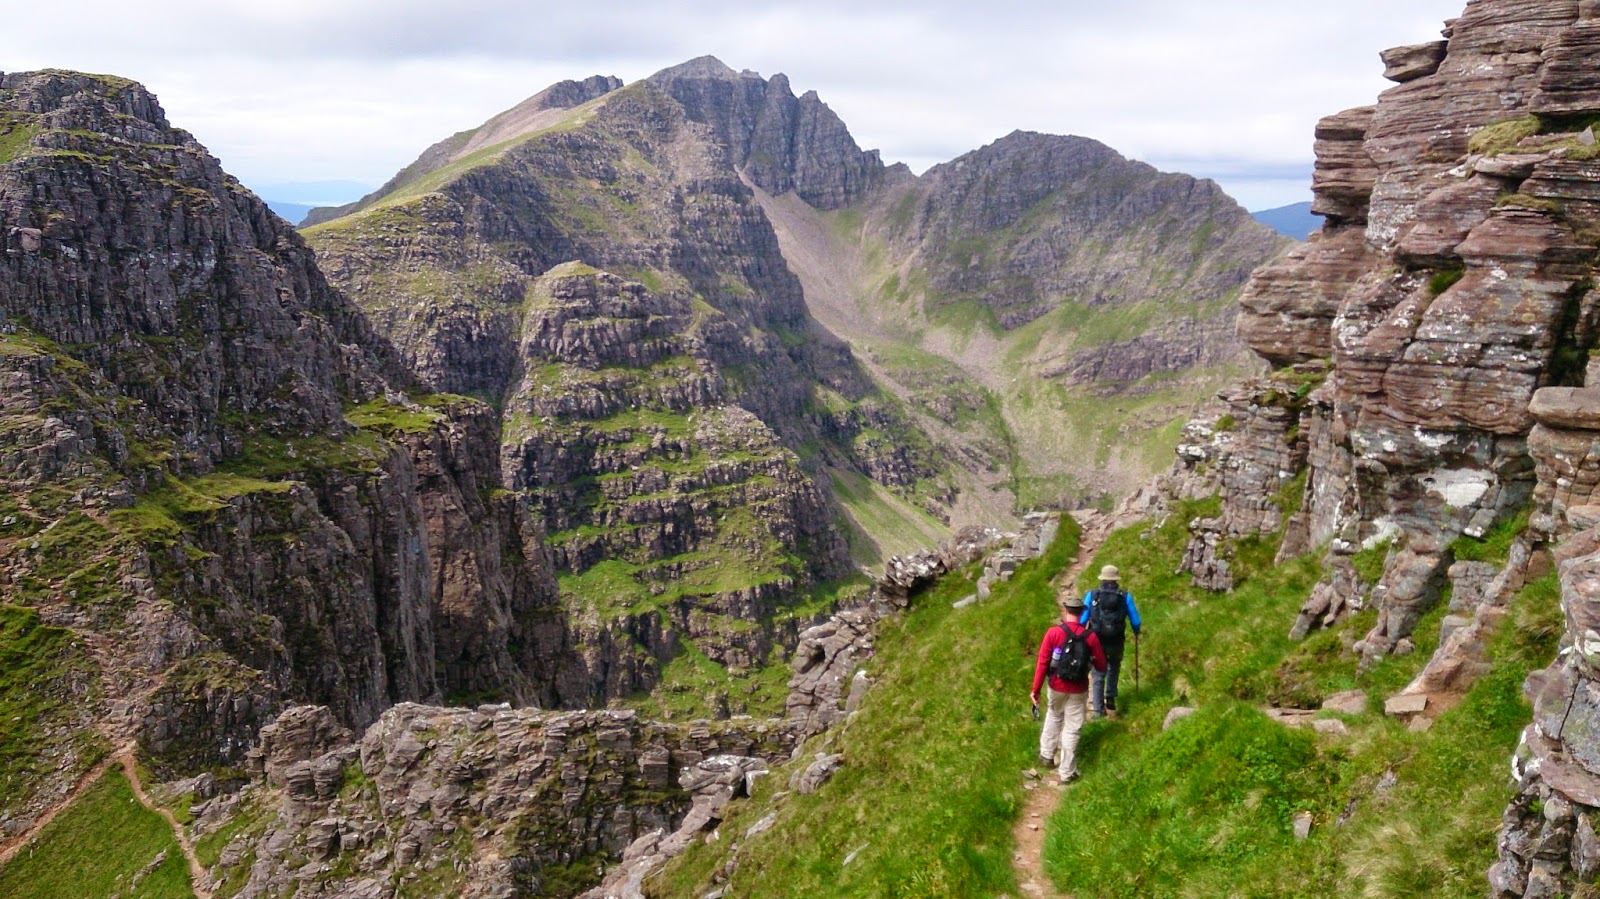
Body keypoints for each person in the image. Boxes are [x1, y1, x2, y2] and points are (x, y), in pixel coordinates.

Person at [1029, 590, 1107, 785]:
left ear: (1066, 611)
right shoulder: (1091, 637)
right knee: (1072, 728)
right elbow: (1101, 666)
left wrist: (1035, 690)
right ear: (1082, 613)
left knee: (1054, 716)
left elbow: (1043, 663)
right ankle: (1066, 772)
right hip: (1078, 689)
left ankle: (1046, 755)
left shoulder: (1053, 633)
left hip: (1056, 686)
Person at [1080, 564, 1142, 719]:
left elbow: (1082, 619)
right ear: (1116, 580)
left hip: (1096, 640)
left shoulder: (1092, 595)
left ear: (1102, 578)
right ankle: (1111, 697)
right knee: (1114, 666)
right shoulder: (1125, 597)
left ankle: (1098, 710)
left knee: (1097, 673)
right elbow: (1136, 620)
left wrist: (1080, 634)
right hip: (1116, 639)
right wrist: (1136, 631)